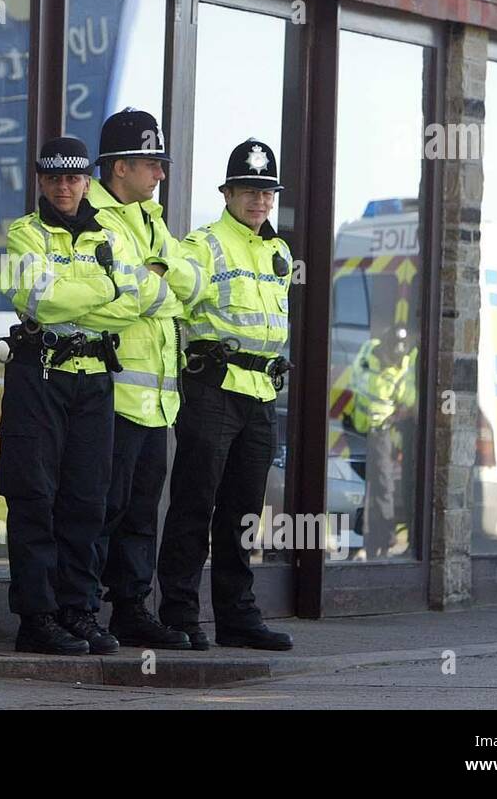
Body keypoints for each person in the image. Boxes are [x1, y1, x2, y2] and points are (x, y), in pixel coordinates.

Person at [0, 136, 153, 655]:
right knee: (34, 498)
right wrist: (105, 291)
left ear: (87, 181)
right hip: (39, 376)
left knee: (88, 499)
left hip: (94, 378)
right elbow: (41, 302)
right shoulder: (24, 233)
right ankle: (37, 618)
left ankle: (78, 609)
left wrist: (86, 298)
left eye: (73, 178)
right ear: (41, 181)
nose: (64, 187)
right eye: (53, 178)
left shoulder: (113, 234)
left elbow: (137, 304)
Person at [157, 138, 294, 651]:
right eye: (249, 191)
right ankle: (178, 614)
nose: (259, 201)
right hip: (212, 389)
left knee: (242, 510)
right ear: (228, 193)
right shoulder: (203, 244)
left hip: (260, 393)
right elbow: (175, 303)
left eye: (267, 192)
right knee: (195, 503)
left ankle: (237, 616)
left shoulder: (278, 251)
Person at [87, 108, 205, 650]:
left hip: (157, 402)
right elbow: (120, 290)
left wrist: (158, 275)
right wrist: (159, 280)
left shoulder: (151, 218)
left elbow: (193, 282)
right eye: (152, 164)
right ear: (120, 168)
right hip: (110, 396)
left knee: (139, 514)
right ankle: (83, 608)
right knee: (100, 509)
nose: (160, 175)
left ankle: (131, 608)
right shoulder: (94, 214)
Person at [343, 326, 418, 559]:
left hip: (380, 433)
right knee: (356, 483)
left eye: (396, 357)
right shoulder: (368, 350)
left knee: (382, 486)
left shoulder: (401, 370)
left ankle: (384, 540)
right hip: (354, 426)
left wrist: (395, 420)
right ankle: (357, 540)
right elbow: (354, 379)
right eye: (389, 355)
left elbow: (407, 405)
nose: (391, 361)